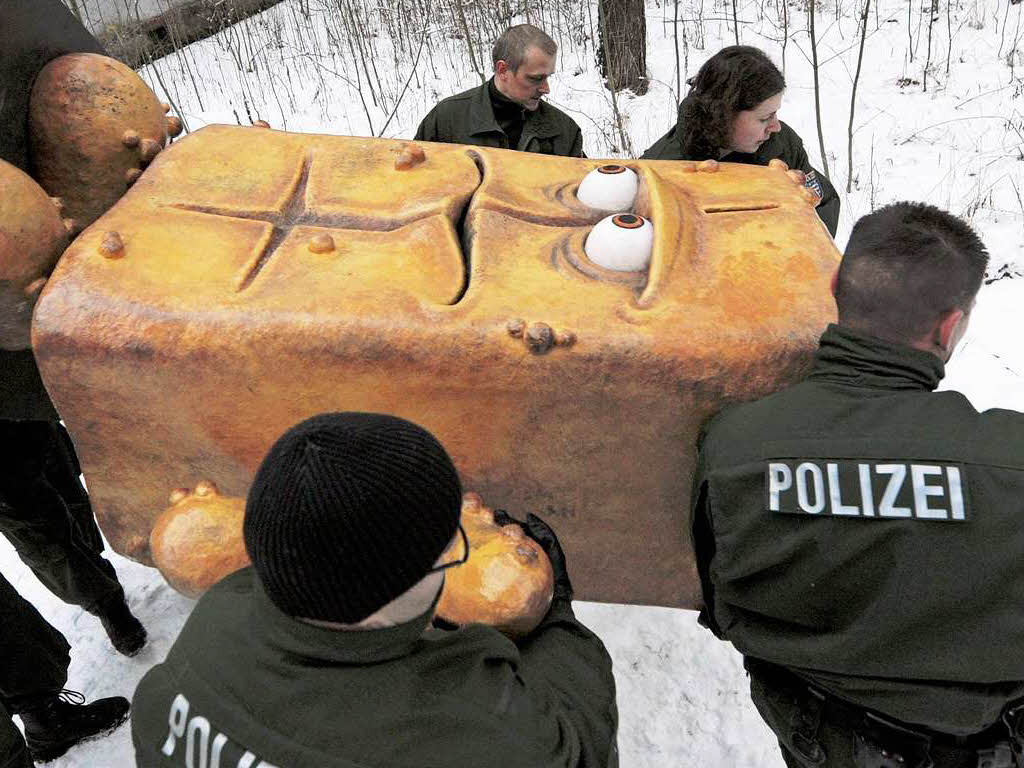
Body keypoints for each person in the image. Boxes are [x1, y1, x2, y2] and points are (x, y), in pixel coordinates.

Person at [690, 201, 1024, 767]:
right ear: (949, 326)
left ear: (835, 289)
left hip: (816, 728)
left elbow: (722, 600)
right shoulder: (1009, 460)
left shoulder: (734, 444)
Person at [132, 412, 618, 768]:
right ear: (393, 592)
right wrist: (554, 616)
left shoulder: (216, 619)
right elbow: (580, 747)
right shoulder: (476, 718)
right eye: (450, 550)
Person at [0, 0, 147, 660]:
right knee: (38, 498)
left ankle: (103, 593)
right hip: (57, 313)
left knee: (46, 490)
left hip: (50, 317)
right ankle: (105, 599)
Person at [642, 46, 839, 237]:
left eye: (775, 114)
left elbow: (823, 202)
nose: (775, 126)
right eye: (764, 118)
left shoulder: (782, 143)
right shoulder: (661, 171)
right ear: (724, 116)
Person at [414, 24, 584, 157]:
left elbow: (579, 194)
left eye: (548, 77)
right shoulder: (447, 119)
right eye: (536, 78)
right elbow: (412, 182)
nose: (546, 89)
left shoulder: (564, 130)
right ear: (503, 70)